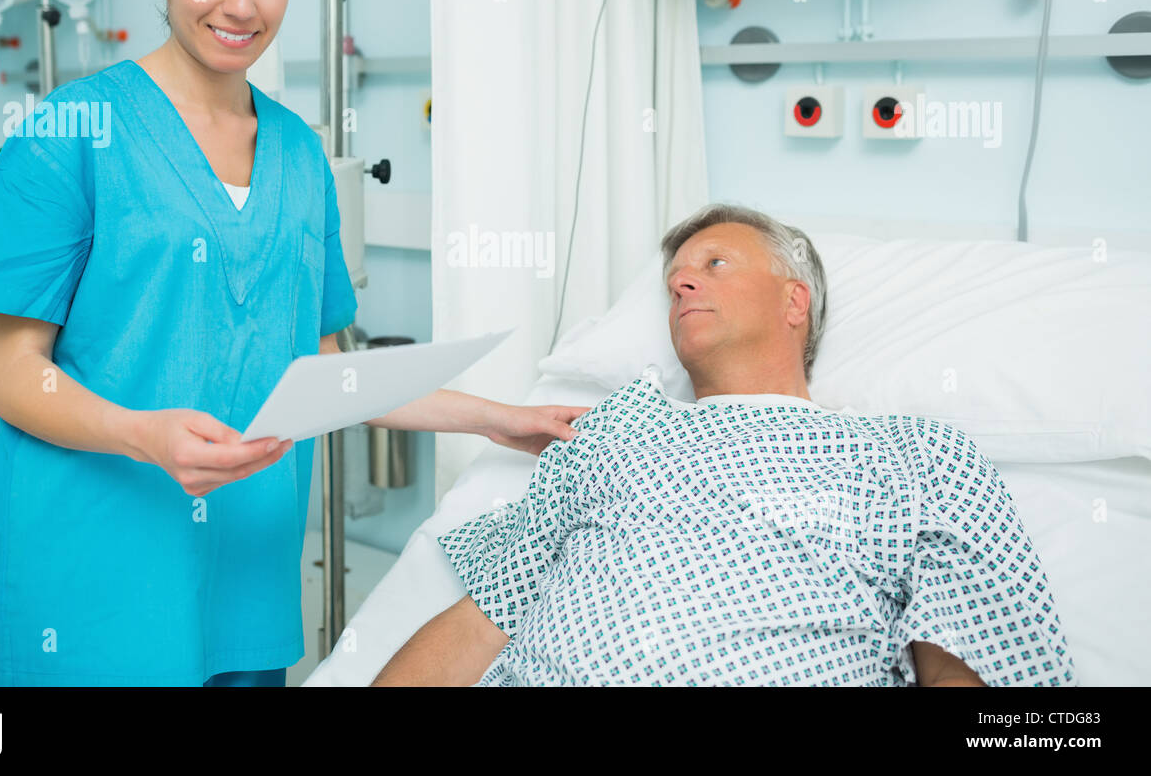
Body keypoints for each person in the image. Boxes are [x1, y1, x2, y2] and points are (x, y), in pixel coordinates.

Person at [0, 0, 586, 687]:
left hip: (247, 564)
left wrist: (498, 419)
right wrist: (141, 434)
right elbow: (14, 373)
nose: (241, 5)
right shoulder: (67, 134)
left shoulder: (298, 153)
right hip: (97, 566)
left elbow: (324, 371)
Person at [371, 204, 1077, 686]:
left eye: (714, 264)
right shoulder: (614, 432)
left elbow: (966, 668)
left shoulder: (914, 455)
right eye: (676, 276)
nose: (681, 281)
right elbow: (479, 624)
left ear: (793, 303)